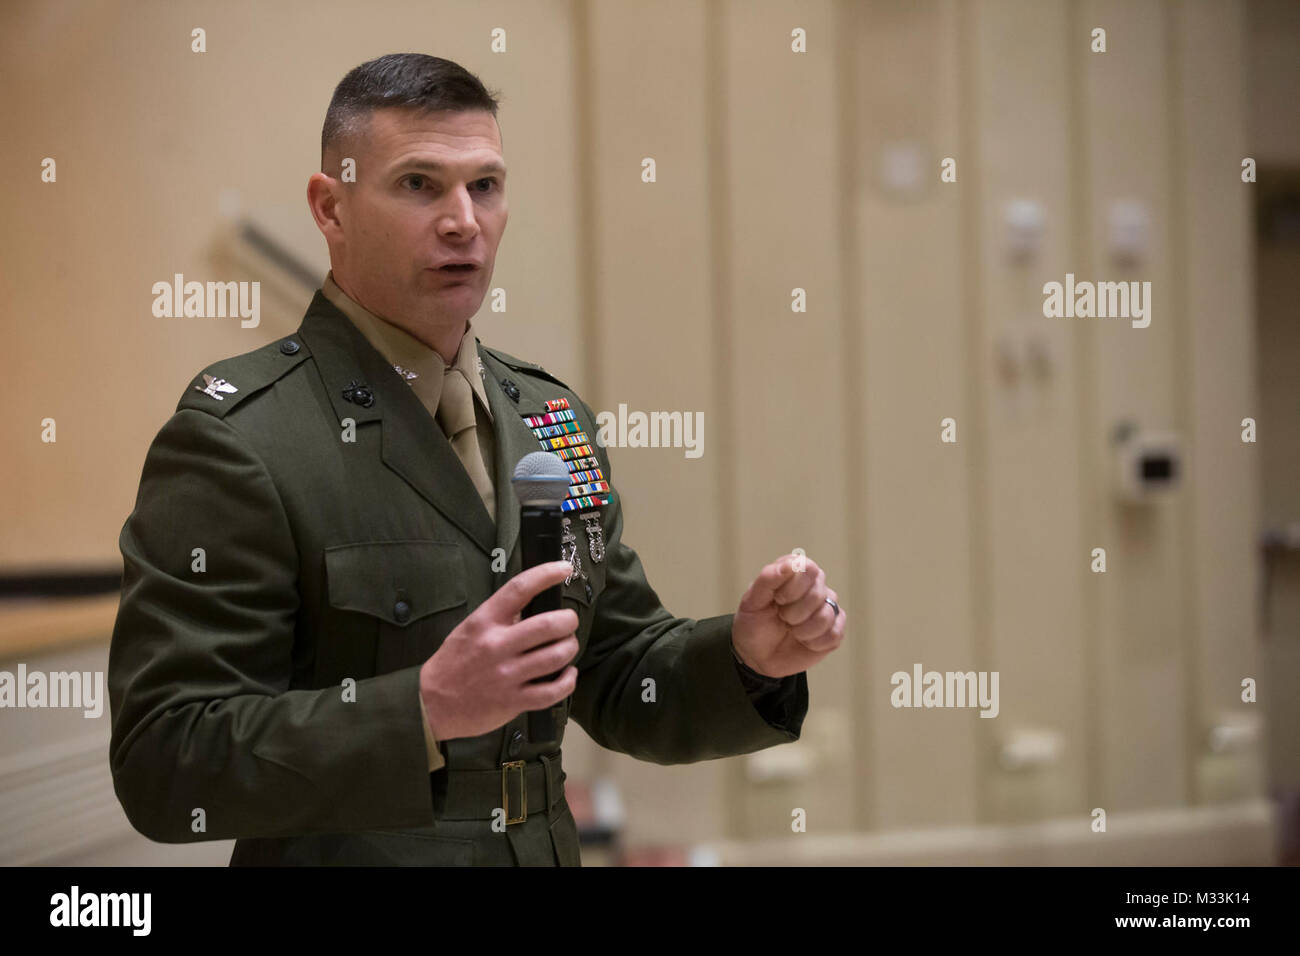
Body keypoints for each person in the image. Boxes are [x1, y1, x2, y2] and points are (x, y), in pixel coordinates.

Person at [107, 53, 847, 866]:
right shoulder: (242, 437)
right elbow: (167, 763)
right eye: (419, 184)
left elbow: (616, 671)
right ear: (331, 208)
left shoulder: (550, 422)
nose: (462, 220)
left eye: (484, 186)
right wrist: (421, 711)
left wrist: (743, 659)